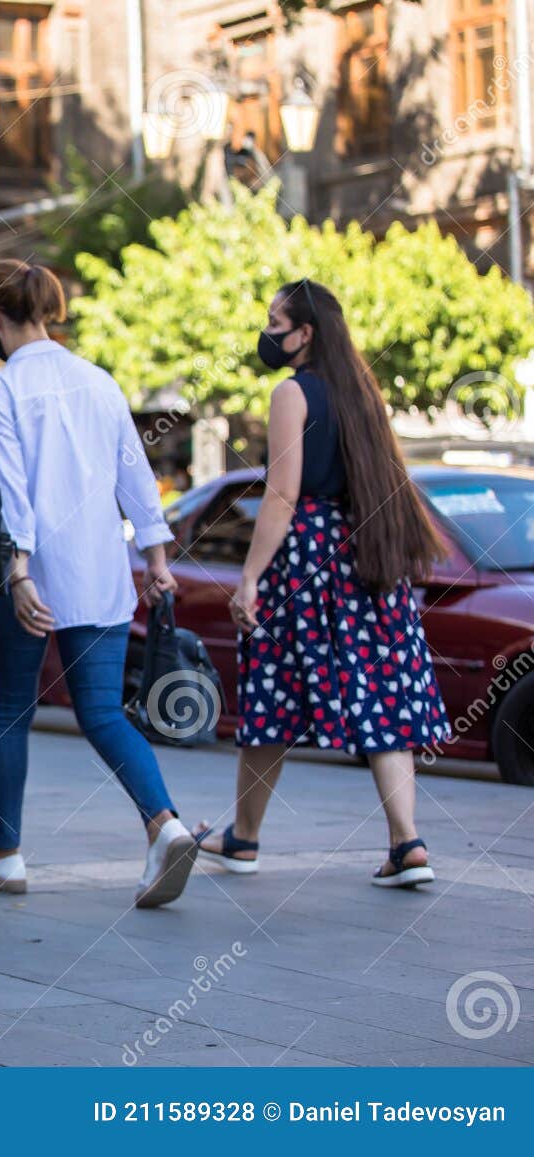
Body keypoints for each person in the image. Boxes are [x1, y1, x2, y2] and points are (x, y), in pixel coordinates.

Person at [194, 280, 451, 888]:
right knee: (383, 692)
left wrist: (250, 577)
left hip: (308, 557)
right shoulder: (361, 390)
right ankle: (407, 843)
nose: (267, 333)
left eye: (275, 321)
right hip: (369, 555)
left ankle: (245, 838)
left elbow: (282, 494)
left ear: (304, 333)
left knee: (274, 691)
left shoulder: (292, 392)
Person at [0, 258, 195, 910]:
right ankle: (165, 824)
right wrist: (157, 557)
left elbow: (12, 487)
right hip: (99, 571)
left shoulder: (3, 389)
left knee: (10, 710)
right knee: (101, 712)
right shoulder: (99, 381)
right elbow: (136, 475)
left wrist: (18, 568)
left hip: (29, 576)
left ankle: (7, 856)